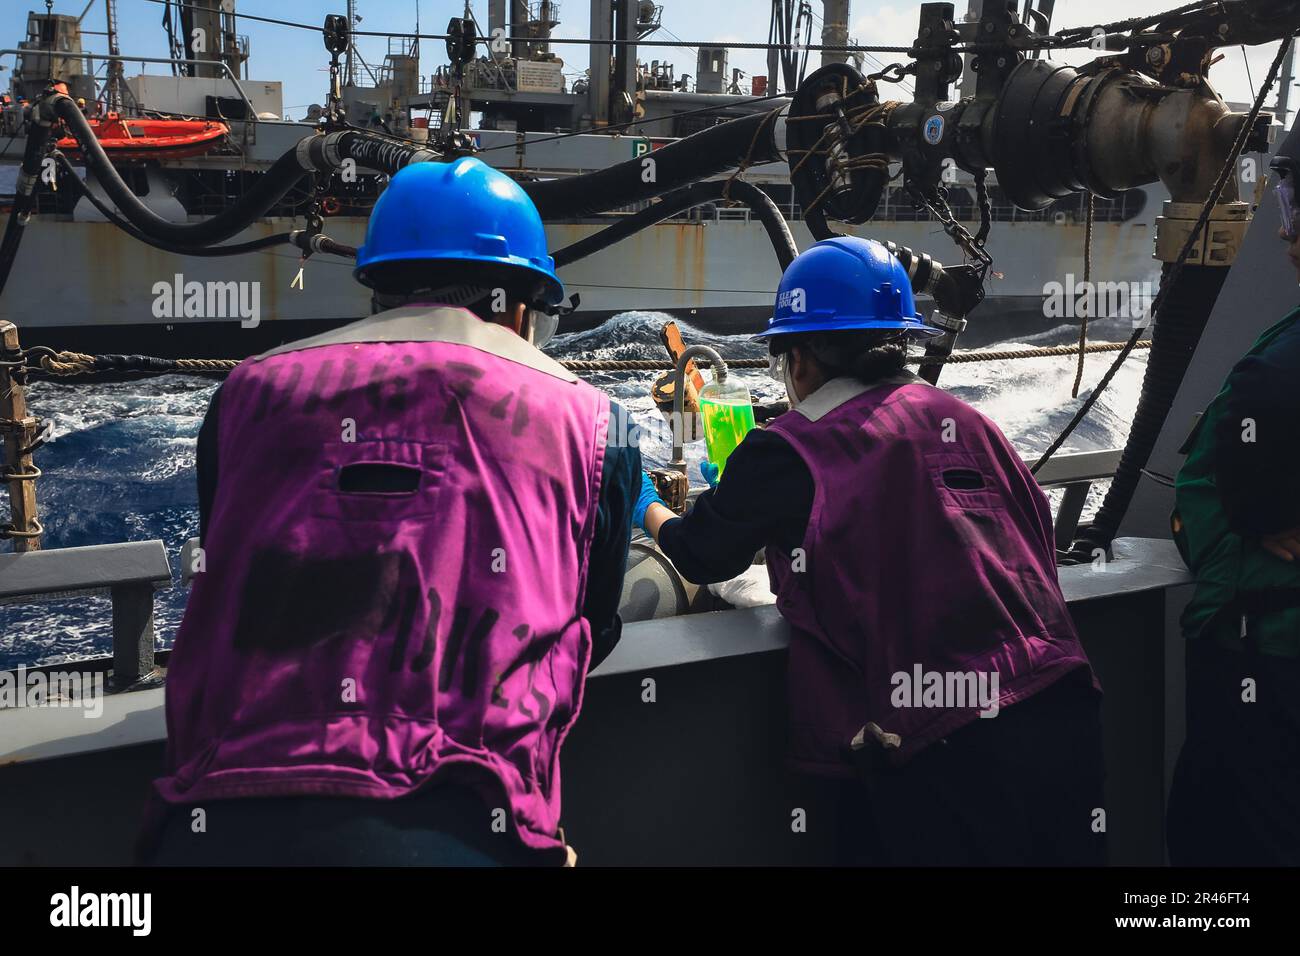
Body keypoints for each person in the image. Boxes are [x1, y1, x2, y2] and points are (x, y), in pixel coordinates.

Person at [140, 157, 641, 866]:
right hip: (466, 822)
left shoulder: (243, 394)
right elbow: (592, 625)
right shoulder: (595, 421)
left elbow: (228, 559)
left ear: (378, 287)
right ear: (521, 306)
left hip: (214, 818)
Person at [635, 237, 1106, 866]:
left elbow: (703, 553)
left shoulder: (788, 449)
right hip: (1060, 708)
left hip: (945, 747)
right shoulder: (971, 423)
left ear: (798, 357)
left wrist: (645, 501)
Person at [1166, 126, 1300, 866]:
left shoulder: (1275, 373)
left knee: (1228, 840)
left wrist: (1261, 516)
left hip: (1264, 656)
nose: (1285, 225)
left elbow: (1259, 414)